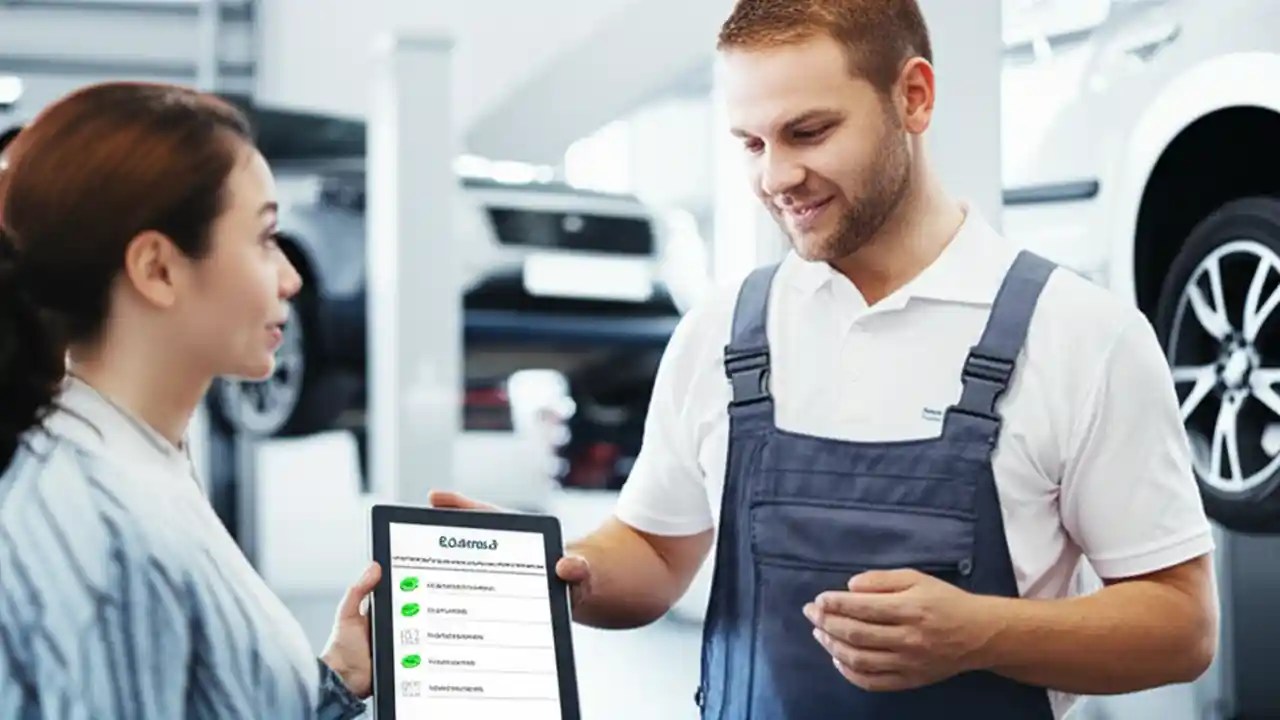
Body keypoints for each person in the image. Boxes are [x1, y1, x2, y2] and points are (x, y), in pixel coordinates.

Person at [431, 1, 1219, 718]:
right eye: (751, 143)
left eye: (809, 133)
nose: (775, 177)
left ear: (913, 97)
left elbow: (1180, 626)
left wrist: (980, 633)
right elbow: (654, 552)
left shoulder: (1082, 337)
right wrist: (560, 570)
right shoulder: (722, 334)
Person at [0, 82, 379, 719]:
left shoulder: (135, 459)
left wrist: (335, 680)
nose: (290, 277)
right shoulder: (106, 532)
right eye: (264, 239)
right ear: (158, 269)